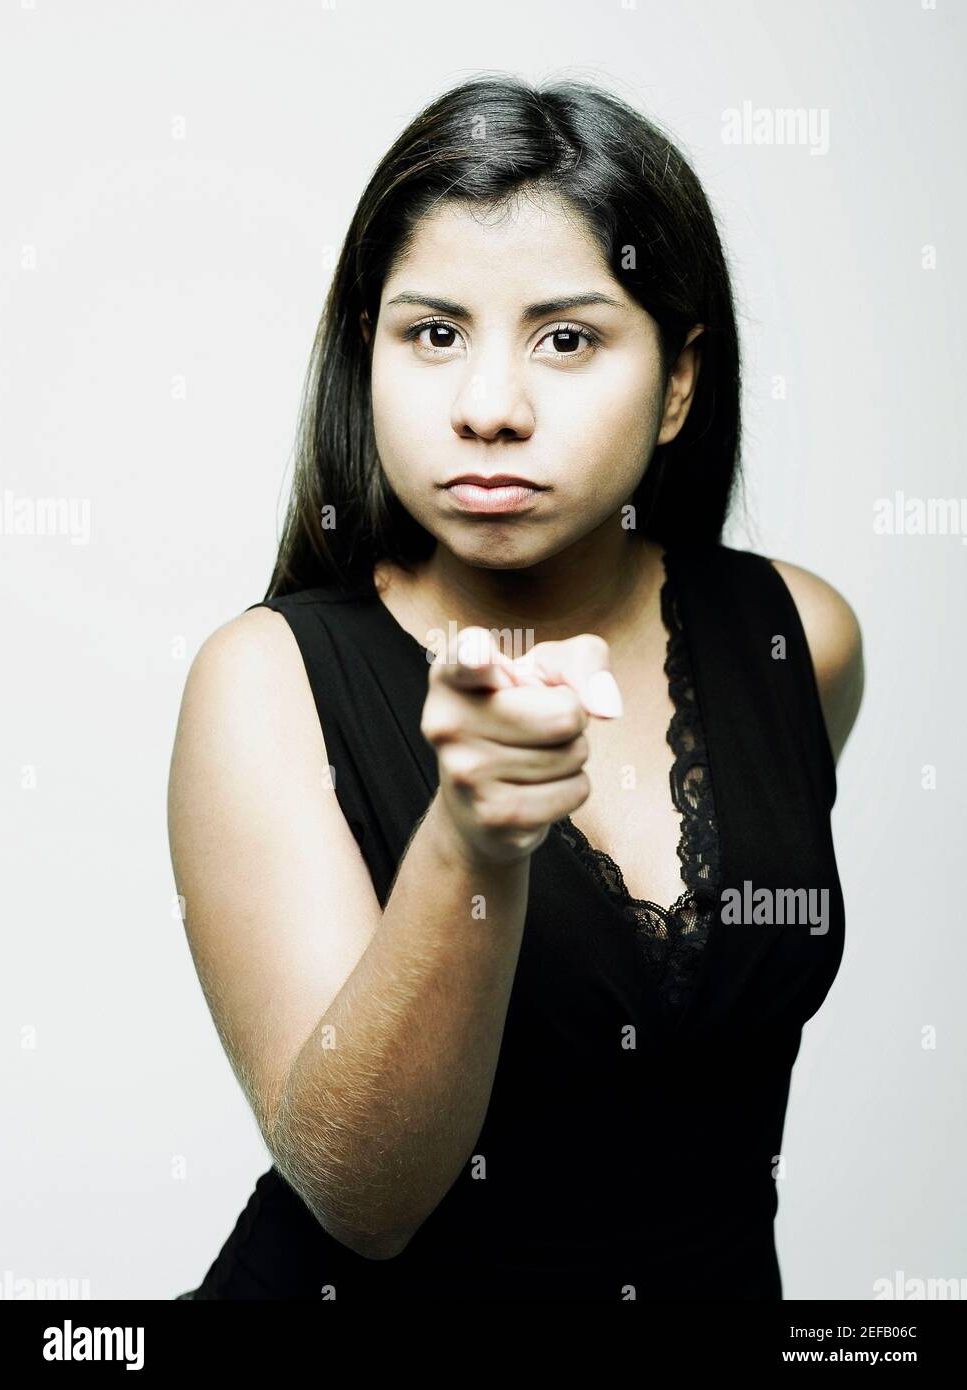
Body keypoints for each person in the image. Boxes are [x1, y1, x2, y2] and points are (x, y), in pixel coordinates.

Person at [167, 74, 864, 1301]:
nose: (488, 409)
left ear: (679, 383)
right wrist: (474, 840)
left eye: (567, 337)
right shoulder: (263, 680)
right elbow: (364, 1199)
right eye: (433, 333)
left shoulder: (794, 639)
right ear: (366, 354)